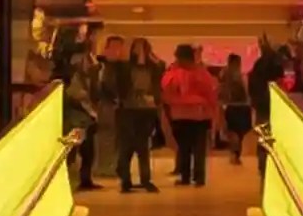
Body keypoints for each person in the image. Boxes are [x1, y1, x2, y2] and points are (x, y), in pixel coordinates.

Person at [162, 44, 219, 187]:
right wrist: (212, 111)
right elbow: (211, 94)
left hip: (181, 115)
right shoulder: (202, 73)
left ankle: (186, 177)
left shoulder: (173, 73)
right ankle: (199, 178)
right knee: (198, 148)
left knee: (184, 147)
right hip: (200, 115)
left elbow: (167, 92)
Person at [112, 38, 164, 193]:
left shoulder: (153, 68)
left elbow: (161, 67)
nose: (139, 51)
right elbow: (119, 85)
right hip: (128, 109)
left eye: (142, 48)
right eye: (137, 48)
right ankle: (125, 180)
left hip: (146, 110)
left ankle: (145, 179)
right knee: (127, 146)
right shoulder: (125, 67)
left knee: (143, 146)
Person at [57, 32, 102, 192]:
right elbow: (77, 96)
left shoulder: (87, 75)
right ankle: (71, 180)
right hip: (77, 118)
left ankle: (82, 179)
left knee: (86, 151)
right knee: (74, 152)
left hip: (83, 118)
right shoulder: (73, 76)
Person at [248, 38, 286, 177]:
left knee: (263, 135)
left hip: (261, 106)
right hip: (275, 105)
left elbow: (252, 86)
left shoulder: (258, 65)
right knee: (274, 136)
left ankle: (263, 164)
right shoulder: (277, 64)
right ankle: (273, 163)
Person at [93, 35, 126, 180]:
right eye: (114, 47)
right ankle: (103, 167)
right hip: (105, 104)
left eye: (119, 48)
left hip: (118, 106)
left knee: (117, 137)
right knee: (105, 136)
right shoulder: (99, 66)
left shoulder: (121, 67)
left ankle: (113, 166)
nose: (117, 51)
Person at [219, 53, 252, 165]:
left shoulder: (224, 75)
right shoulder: (241, 76)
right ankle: (236, 154)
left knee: (233, 132)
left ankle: (234, 153)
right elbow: (247, 92)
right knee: (239, 133)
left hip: (232, 106)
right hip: (242, 106)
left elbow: (221, 91)